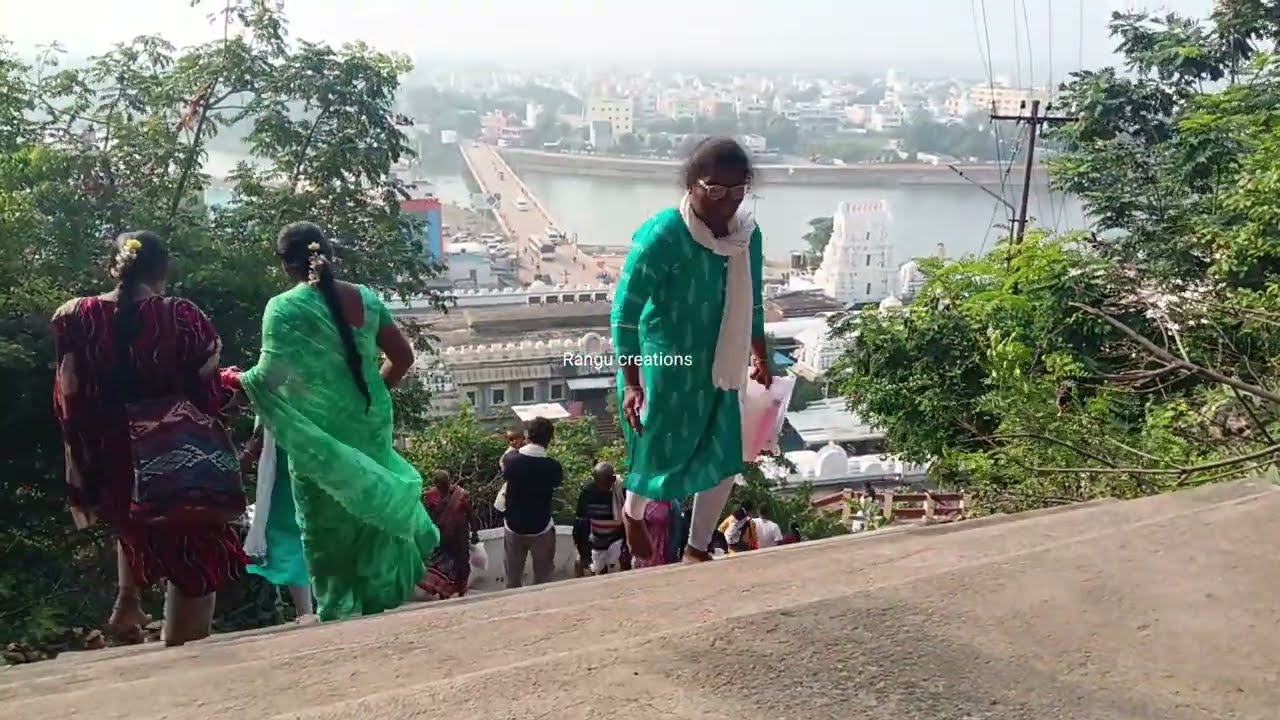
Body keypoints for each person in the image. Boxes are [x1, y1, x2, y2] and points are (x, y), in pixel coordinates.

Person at [235, 222, 439, 621]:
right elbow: (403, 358)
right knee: (371, 517)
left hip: (317, 438)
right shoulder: (363, 298)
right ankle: (379, 605)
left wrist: (231, 384)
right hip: (368, 427)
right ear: (328, 253)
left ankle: (339, 615)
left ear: (285, 264)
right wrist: (369, 400)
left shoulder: (283, 308)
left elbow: (269, 377)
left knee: (325, 531)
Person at [51, 231, 248, 646]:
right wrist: (236, 393)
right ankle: (181, 658)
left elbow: (68, 394)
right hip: (174, 459)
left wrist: (86, 460)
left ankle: (128, 599)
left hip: (113, 460)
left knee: (137, 530)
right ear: (163, 270)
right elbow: (207, 395)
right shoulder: (181, 316)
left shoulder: (73, 316)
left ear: (113, 267)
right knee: (194, 558)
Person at [610, 137, 772, 564]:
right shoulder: (665, 234)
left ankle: (697, 548)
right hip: (666, 361)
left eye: (738, 192)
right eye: (715, 190)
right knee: (659, 447)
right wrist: (631, 382)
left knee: (724, 455)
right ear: (691, 184)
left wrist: (761, 354)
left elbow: (752, 300)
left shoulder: (747, 238)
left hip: (723, 361)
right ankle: (633, 511)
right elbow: (624, 312)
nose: (726, 203)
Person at [240, 422, 315, 623]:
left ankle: (307, 609)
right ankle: (307, 609)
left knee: (294, 535)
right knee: (290, 536)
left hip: (294, 449)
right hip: (287, 455)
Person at [501, 416, 562, 588]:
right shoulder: (553, 467)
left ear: (527, 435)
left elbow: (506, 471)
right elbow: (555, 483)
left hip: (514, 527)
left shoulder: (511, 461)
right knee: (543, 581)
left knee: (512, 580)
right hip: (541, 528)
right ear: (549, 440)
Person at [419, 470, 479, 600]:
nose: (442, 486)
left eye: (444, 483)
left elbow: (471, 515)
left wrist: (474, 533)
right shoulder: (431, 496)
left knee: (462, 564)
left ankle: (461, 590)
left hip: (459, 537)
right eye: (439, 483)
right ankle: (443, 592)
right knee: (442, 566)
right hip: (442, 536)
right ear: (436, 484)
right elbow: (427, 517)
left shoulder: (461, 495)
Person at [574, 463, 625, 575]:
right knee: (584, 567)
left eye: (606, 483)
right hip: (595, 540)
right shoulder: (588, 493)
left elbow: (628, 519)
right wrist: (584, 553)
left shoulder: (621, 492)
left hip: (617, 540)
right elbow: (580, 523)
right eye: (600, 483)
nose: (603, 487)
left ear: (613, 479)